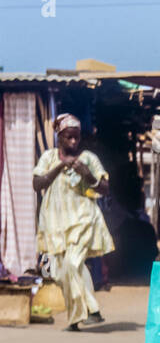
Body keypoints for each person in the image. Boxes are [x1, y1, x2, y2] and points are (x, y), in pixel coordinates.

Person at [33, 114, 114, 330]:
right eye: (68, 138)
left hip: (83, 220)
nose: (73, 142)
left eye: (76, 138)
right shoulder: (49, 157)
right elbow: (37, 183)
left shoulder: (88, 158)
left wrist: (87, 175)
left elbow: (104, 188)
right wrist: (60, 166)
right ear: (59, 136)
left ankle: (85, 314)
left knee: (72, 264)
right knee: (62, 271)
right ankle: (84, 313)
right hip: (55, 224)